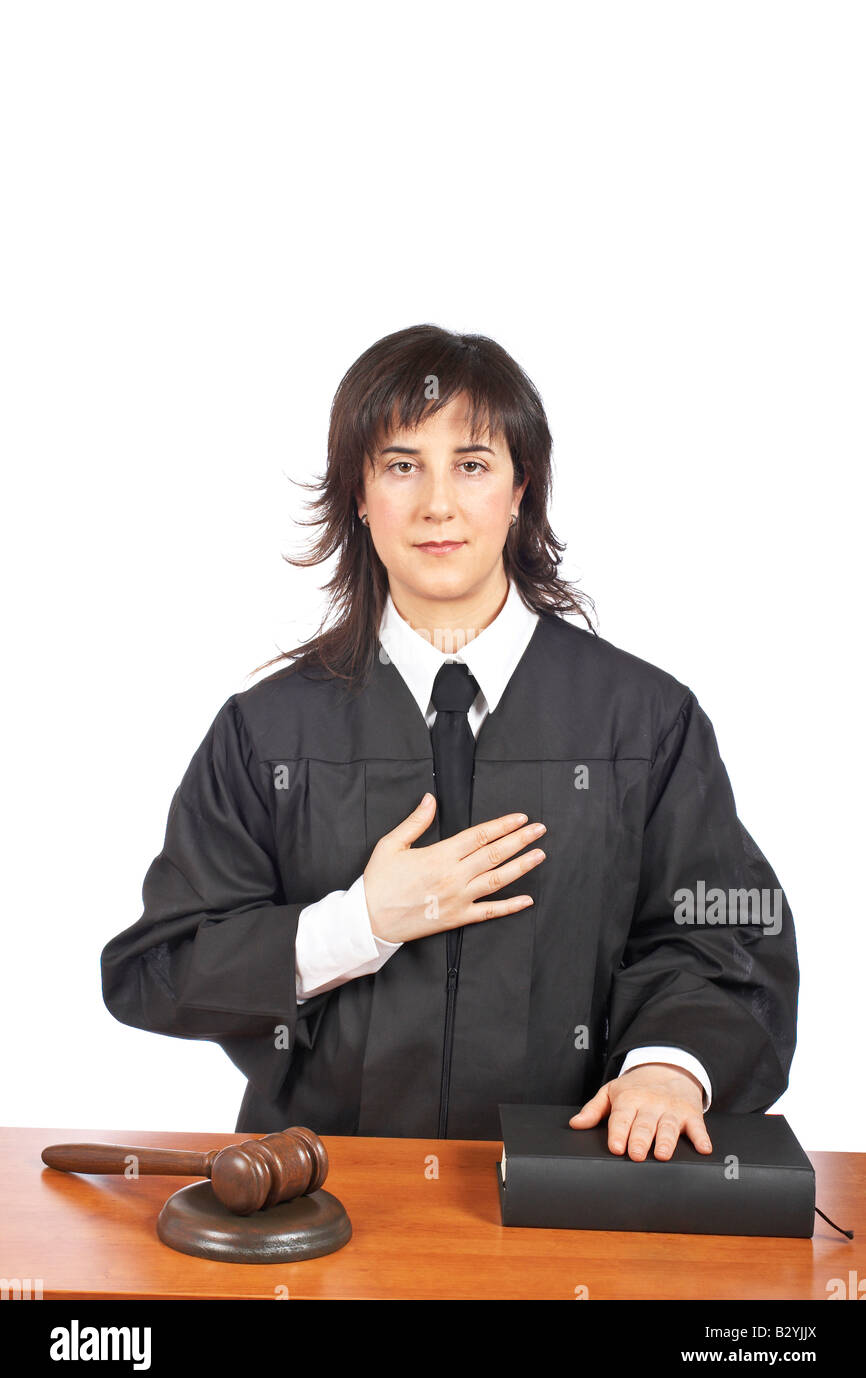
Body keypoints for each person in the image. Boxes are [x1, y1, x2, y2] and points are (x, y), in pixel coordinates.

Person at [101, 323, 799, 1161]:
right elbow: (158, 968)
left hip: (569, 1191)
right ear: (359, 494)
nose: (438, 503)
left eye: (472, 464)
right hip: (322, 1201)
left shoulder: (642, 721)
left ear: (519, 490)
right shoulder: (270, 731)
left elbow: (725, 934)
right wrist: (361, 921)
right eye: (402, 465)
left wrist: (669, 1066)